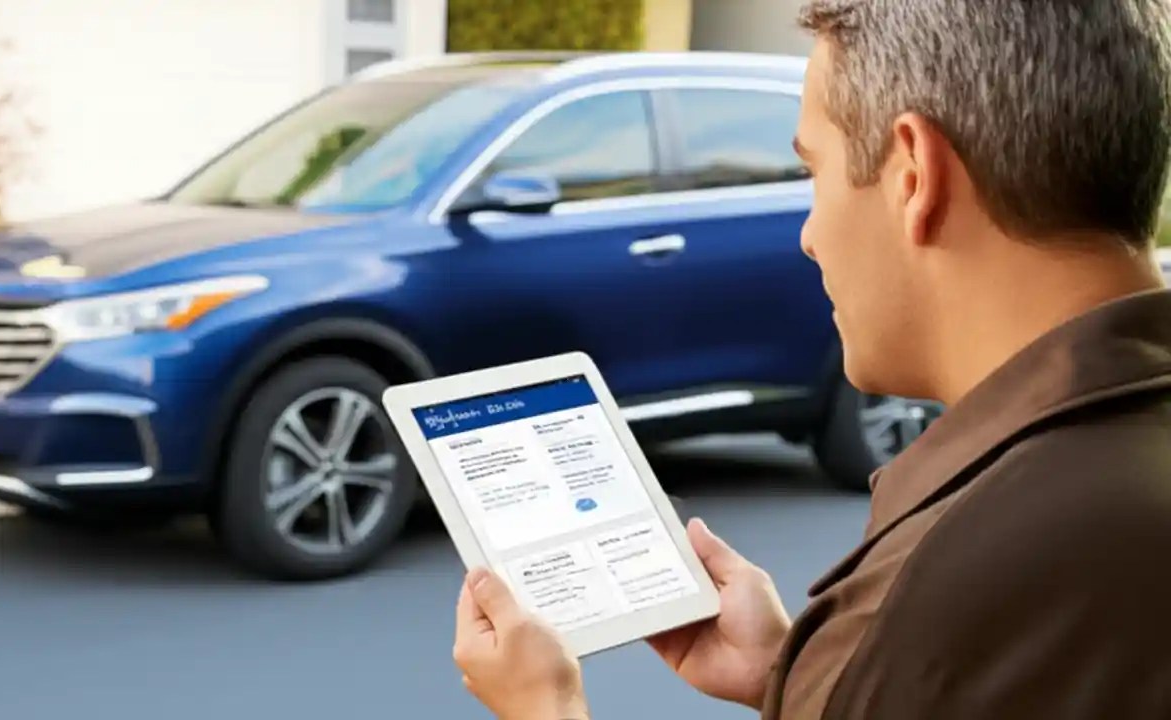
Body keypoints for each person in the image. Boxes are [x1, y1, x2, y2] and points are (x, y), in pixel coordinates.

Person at [451, 0, 1171, 718]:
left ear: (913, 176)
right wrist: (795, 675)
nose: (810, 235)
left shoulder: (956, 584)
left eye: (813, 172)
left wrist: (546, 708)